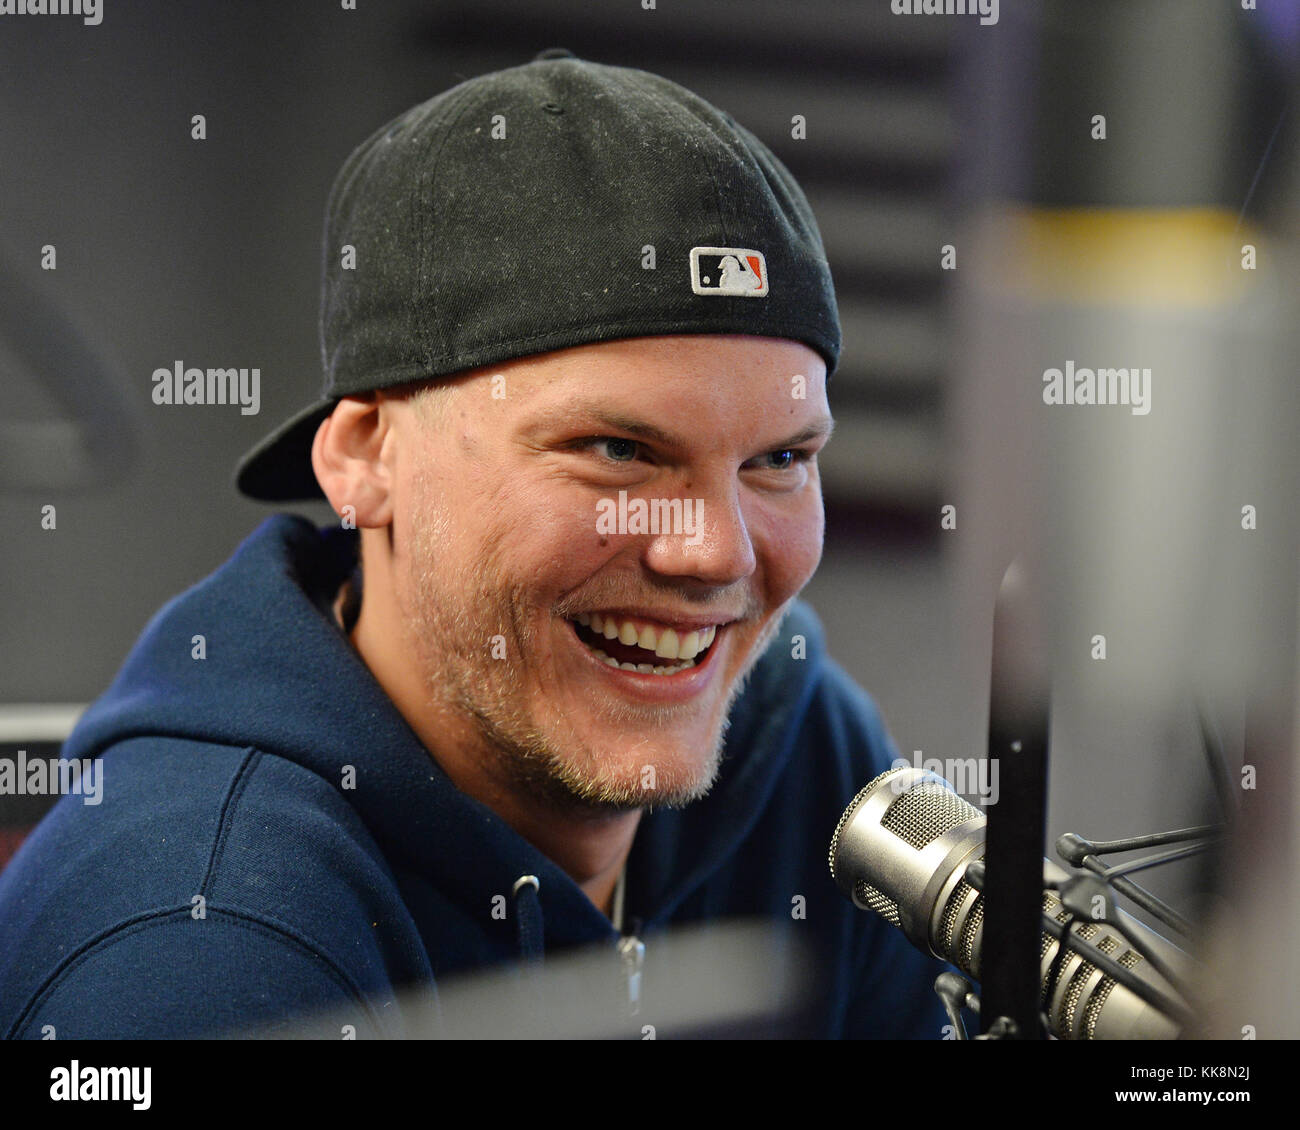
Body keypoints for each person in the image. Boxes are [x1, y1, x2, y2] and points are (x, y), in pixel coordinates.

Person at [0, 49, 949, 1038]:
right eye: (618, 449)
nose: (714, 553)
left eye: (779, 459)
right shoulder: (197, 950)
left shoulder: (804, 756)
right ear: (367, 456)